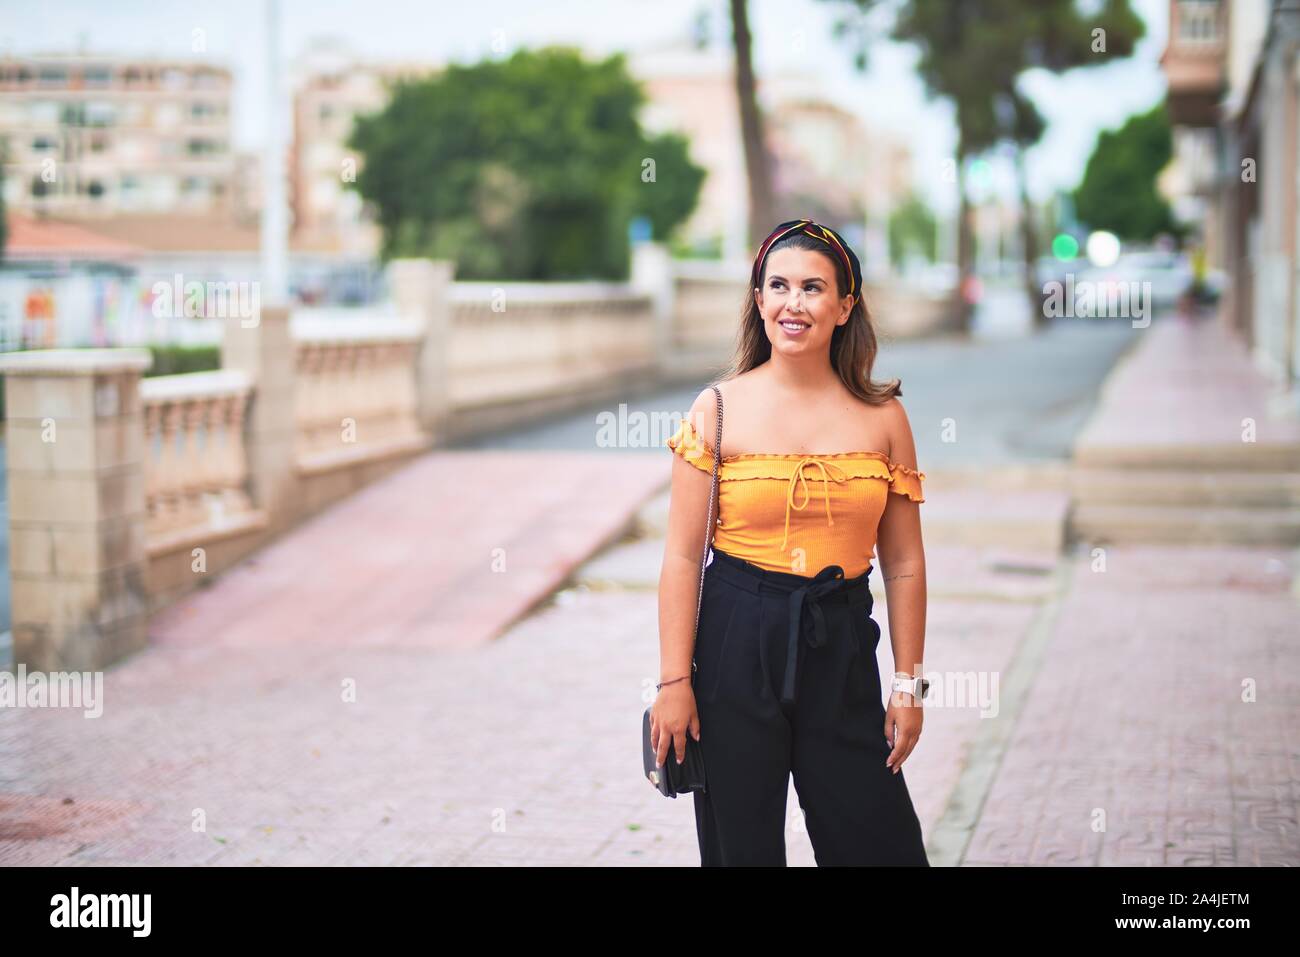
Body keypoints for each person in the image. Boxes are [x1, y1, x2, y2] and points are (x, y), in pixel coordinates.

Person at [651, 219, 930, 866]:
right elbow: (683, 555)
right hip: (734, 642)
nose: (792, 303)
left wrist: (908, 684)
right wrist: (673, 682)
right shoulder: (716, 409)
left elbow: (907, 564)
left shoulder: (885, 418)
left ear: (844, 305)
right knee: (741, 849)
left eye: (812, 287)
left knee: (878, 840)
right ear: (758, 299)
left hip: (840, 640)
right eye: (777, 285)